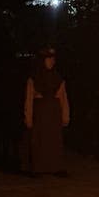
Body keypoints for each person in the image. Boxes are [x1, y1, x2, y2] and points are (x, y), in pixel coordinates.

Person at [24, 47, 70, 176]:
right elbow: (29, 98)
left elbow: (63, 97)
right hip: (40, 112)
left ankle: (55, 167)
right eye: (48, 59)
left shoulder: (57, 78)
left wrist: (65, 115)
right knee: (40, 140)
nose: (51, 61)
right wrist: (28, 117)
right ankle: (38, 167)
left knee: (54, 140)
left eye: (53, 59)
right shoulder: (34, 78)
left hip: (54, 111)